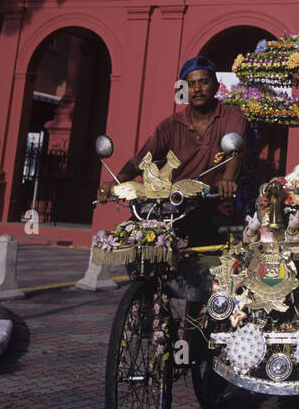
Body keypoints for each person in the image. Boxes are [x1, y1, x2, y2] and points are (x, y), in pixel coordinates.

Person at [97, 56, 247, 292]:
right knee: (142, 245)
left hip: (213, 206)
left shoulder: (231, 116)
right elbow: (141, 159)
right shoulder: (170, 125)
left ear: (216, 85)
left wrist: (228, 179)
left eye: (204, 82)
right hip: (177, 207)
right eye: (191, 84)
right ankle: (150, 308)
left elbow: (235, 153)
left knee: (209, 284)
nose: (197, 89)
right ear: (183, 89)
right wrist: (114, 182)